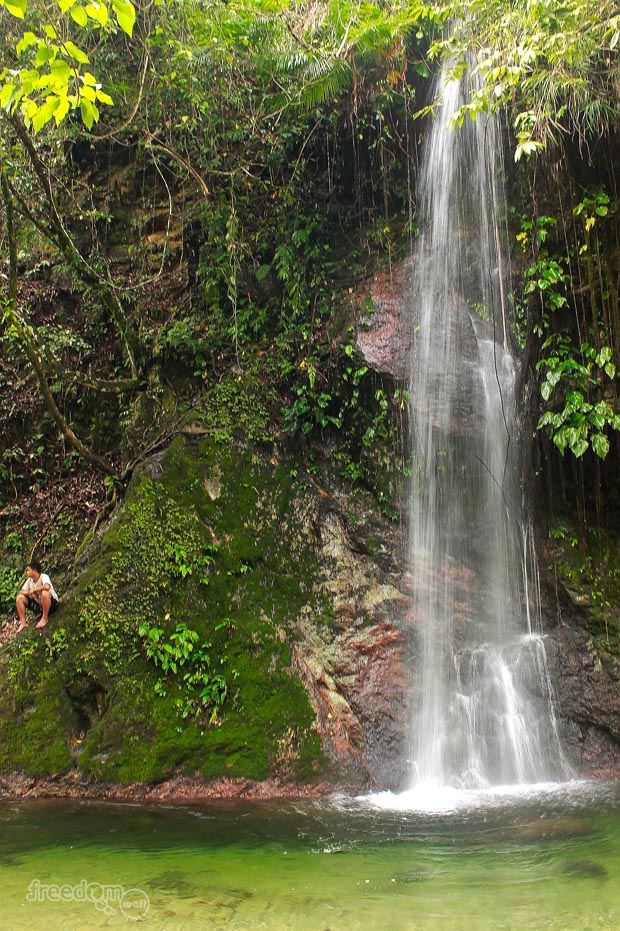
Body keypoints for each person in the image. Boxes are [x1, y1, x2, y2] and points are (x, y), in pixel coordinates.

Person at [16, 561, 60, 631]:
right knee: (19, 598)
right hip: (39, 605)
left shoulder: (44, 576)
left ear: (34, 571)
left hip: (51, 604)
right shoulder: (29, 580)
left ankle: (45, 618)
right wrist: (30, 593)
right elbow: (22, 591)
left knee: (44, 593)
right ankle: (23, 622)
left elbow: (47, 586)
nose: (26, 572)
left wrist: (35, 590)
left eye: (28, 570)